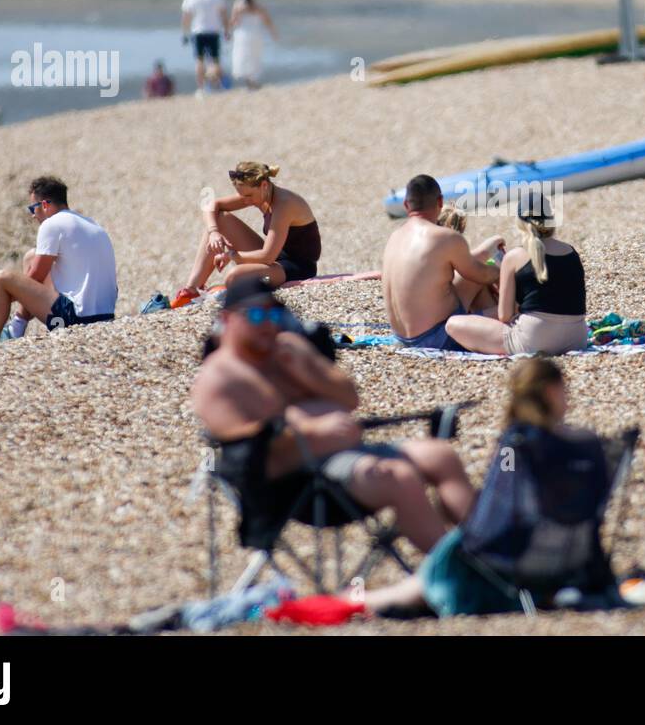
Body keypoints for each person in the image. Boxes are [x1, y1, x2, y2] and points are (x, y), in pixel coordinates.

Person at [268, 357, 622, 624]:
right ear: (550, 392)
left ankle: (340, 604)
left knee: (415, 586)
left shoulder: (515, 447)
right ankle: (347, 603)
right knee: (414, 583)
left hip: (503, 566)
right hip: (567, 567)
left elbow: (500, 508)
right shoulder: (587, 446)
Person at [191, 276, 474, 556]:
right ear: (227, 320)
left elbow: (350, 398)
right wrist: (312, 432)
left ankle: (489, 552)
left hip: (347, 457)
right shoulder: (219, 377)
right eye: (254, 315)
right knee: (399, 477)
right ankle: (460, 573)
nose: (267, 323)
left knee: (439, 456)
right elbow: (243, 447)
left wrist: (307, 374)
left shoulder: (288, 347)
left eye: (273, 313)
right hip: (300, 484)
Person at [446, 192, 587, 356]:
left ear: (520, 223)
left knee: (452, 324)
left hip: (535, 339)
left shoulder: (514, 257)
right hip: (577, 338)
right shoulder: (571, 251)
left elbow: (504, 316)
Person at [0, 176, 118, 344]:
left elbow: (36, 277)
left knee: (1, 279)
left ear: (45, 205)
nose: (33, 216)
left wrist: (4, 296)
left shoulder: (51, 224)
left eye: (33, 209)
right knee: (31, 257)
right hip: (106, 316)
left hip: (77, 320)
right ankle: (16, 327)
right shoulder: (91, 223)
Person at [172, 162, 321, 308]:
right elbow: (211, 205)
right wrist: (213, 232)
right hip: (275, 256)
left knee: (235, 276)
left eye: (249, 196)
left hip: (297, 266)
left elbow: (267, 256)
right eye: (242, 196)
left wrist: (232, 255)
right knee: (219, 219)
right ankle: (190, 291)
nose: (246, 201)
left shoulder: (284, 204)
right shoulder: (261, 194)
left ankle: (220, 293)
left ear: (264, 185)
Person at [382, 174, 501, 351]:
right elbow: (480, 274)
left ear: (406, 205)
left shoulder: (394, 237)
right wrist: (503, 270)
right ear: (440, 202)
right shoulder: (446, 238)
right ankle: (510, 316)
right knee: (485, 276)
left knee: (473, 275)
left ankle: (498, 317)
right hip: (437, 338)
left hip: (402, 337)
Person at [181, 0, 229, 96]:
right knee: (215, 60)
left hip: (198, 31)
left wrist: (184, 32)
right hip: (214, 30)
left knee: (199, 60)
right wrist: (227, 30)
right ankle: (216, 84)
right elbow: (223, 14)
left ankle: (201, 88)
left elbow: (186, 16)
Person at [230, 0, 277, 90]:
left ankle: (249, 81)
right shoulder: (258, 6)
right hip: (256, 33)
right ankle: (253, 81)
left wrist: (227, 31)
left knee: (242, 56)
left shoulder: (238, 6)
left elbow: (233, 21)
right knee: (254, 57)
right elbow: (267, 21)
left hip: (242, 34)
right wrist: (273, 33)